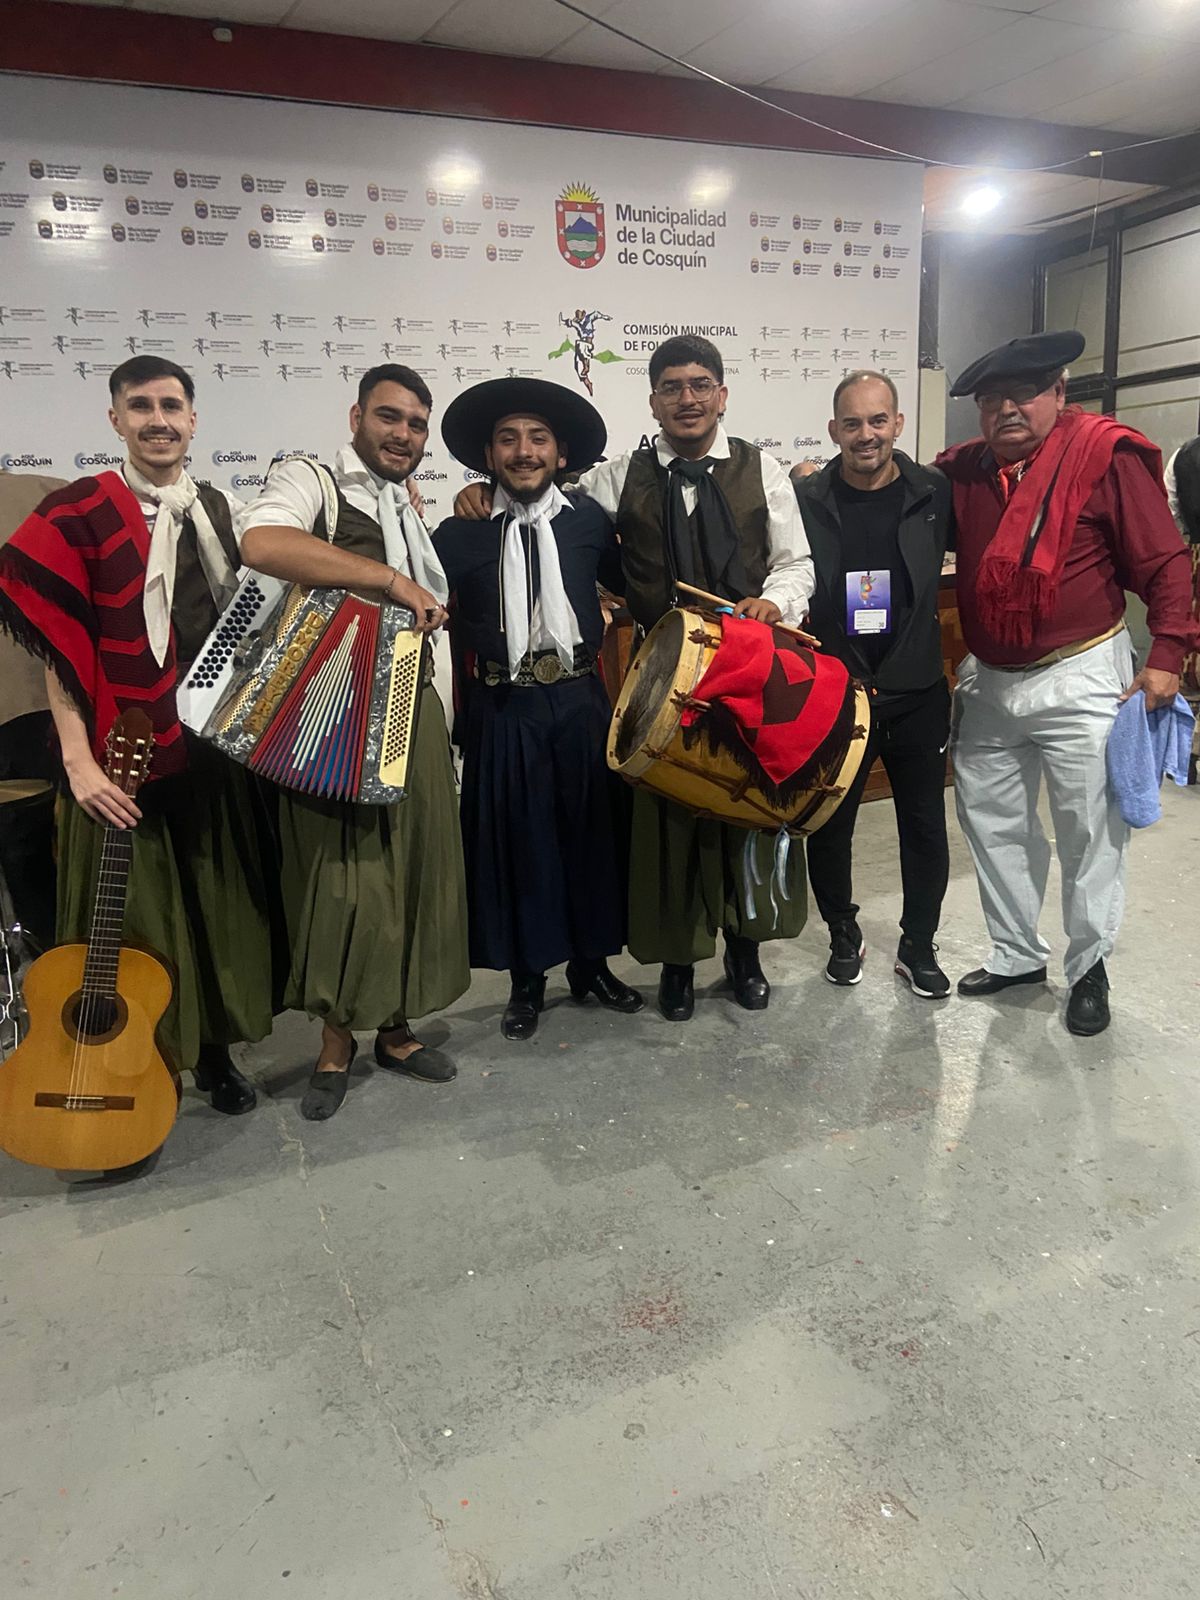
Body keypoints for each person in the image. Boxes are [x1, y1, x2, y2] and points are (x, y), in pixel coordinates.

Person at [454, 335, 814, 1023]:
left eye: (700, 385)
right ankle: (678, 962)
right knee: (670, 818)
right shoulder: (618, 478)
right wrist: (480, 490)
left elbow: (796, 562)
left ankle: (745, 954)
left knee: (746, 810)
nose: (687, 398)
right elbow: (544, 502)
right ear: (653, 401)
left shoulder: (764, 470)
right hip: (663, 676)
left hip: (747, 669)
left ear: (721, 395)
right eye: (672, 387)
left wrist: (777, 601)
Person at [0, 357, 273, 1112]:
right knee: (136, 925)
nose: (159, 420)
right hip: (119, 757)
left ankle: (214, 1055)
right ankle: (142, 1064)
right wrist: (78, 763)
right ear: (115, 419)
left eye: (172, 406)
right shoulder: (79, 511)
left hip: (210, 753)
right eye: (142, 406)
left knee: (213, 911)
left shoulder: (221, 511)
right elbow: (61, 654)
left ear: (193, 419)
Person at [939, 331, 1197, 1035]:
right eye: (992, 399)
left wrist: (1167, 652)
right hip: (990, 681)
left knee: (1090, 829)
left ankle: (1089, 969)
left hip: (1081, 673)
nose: (1007, 410)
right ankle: (1017, 954)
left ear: (1058, 393)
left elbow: (1165, 561)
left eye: (1023, 394)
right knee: (991, 823)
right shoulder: (963, 472)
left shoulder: (1104, 457)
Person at [238, 364, 469, 1120]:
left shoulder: (405, 504)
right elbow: (261, 542)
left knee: (412, 873)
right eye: (388, 417)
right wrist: (389, 580)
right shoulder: (312, 480)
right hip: (333, 715)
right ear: (355, 417)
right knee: (344, 884)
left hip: (413, 705)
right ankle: (335, 1045)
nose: (402, 434)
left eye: (415, 424)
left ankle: (395, 1031)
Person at [433, 377, 642, 1038]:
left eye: (538, 438)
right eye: (508, 439)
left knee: (590, 837)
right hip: (505, 706)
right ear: (488, 456)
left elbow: (633, 585)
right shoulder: (458, 533)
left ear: (560, 453)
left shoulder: (588, 523)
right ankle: (527, 978)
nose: (524, 451)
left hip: (580, 701)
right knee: (519, 845)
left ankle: (592, 965)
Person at [796, 371, 953, 996]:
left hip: (916, 692)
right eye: (853, 423)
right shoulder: (805, 499)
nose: (867, 434)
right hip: (838, 693)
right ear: (834, 430)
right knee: (830, 825)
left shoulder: (934, 491)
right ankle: (842, 931)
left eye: (878, 420)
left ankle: (918, 944)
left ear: (898, 424)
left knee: (924, 826)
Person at [0, 467, 65, 953]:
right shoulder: (54, 491)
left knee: (30, 851)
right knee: (38, 856)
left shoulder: (56, 494)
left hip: (35, 711)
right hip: (47, 706)